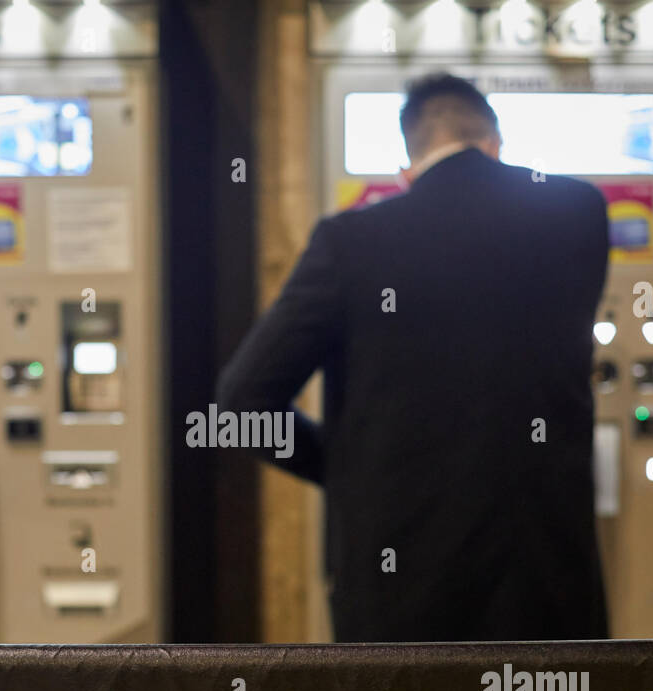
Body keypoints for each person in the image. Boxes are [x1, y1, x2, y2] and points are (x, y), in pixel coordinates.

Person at [216, 72, 610, 643]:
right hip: (543, 582)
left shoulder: (349, 244)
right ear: (494, 144)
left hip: (399, 590)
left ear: (408, 166)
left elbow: (239, 404)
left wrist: (346, 467)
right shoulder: (578, 214)